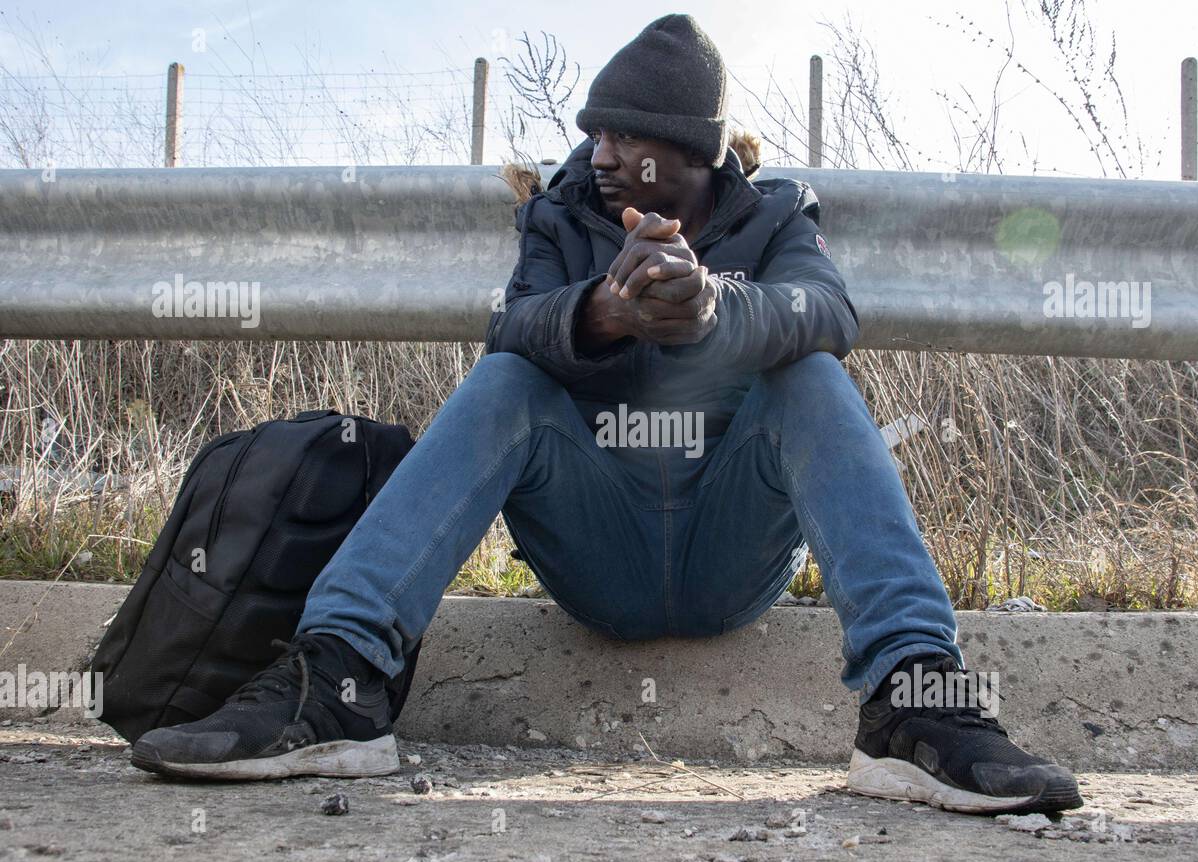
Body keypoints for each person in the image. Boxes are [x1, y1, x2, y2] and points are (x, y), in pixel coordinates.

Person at [132, 14, 1082, 815]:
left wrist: (713, 307)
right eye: (597, 134)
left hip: (727, 548)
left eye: (629, 141)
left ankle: (913, 704)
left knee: (813, 371)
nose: (603, 154)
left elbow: (829, 310)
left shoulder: (776, 214)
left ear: (692, 157)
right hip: (599, 539)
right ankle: (338, 682)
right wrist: (603, 312)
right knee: (509, 378)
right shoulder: (562, 213)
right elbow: (513, 320)